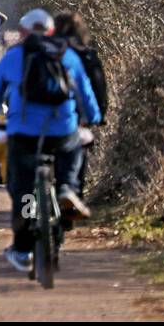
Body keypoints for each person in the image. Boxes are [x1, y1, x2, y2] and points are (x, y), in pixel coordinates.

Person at [0, 9, 102, 274]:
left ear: (22, 33)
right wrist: (92, 118)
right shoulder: (67, 55)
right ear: (50, 31)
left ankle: (22, 250)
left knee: (22, 189)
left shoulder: (12, 58)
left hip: (23, 132)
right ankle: (67, 188)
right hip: (62, 130)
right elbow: (86, 93)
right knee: (73, 148)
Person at [53, 10, 107, 191]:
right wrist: (98, 114)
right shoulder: (87, 56)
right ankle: (71, 194)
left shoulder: (44, 53)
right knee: (75, 161)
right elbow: (97, 88)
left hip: (44, 116)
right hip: (77, 117)